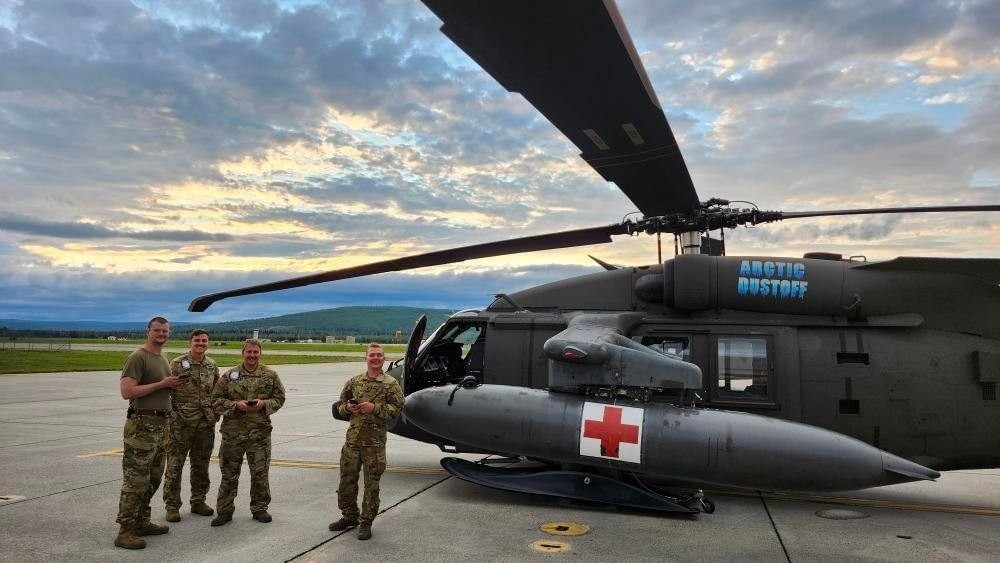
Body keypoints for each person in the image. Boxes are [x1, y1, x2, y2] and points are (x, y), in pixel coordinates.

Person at [114, 316, 183, 550]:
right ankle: (125, 531)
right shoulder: (138, 357)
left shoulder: (162, 357)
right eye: (157, 330)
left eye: (165, 331)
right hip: (142, 426)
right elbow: (127, 391)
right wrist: (162, 384)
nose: (162, 334)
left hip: (160, 426)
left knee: (153, 479)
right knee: (135, 481)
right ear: (148, 331)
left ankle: (141, 522)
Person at [329, 343, 404, 540]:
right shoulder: (354, 381)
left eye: (379, 355)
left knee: (371, 486)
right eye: (372, 355)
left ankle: (366, 522)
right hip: (352, 443)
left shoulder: (390, 384)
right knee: (347, 482)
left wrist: (375, 408)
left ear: (384, 359)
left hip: (374, 444)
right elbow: (339, 406)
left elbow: (398, 409)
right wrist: (348, 408)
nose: (376, 358)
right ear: (366, 358)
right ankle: (349, 516)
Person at [210, 339, 285, 526]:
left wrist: (264, 404)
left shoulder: (270, 375)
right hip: (232, 435)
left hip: (259, 435)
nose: (252, 355)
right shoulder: (230, 376)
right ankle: (225, 511)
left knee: (260, 474)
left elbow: (280, 398)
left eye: (255, 352)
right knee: (229, 474)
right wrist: (236, 406)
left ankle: (260, 509)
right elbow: (216, 400)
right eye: (249, 352)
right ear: (242, 353)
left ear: (260, 353)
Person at [163, 329, 220, 522]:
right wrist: (172, 416)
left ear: (208, 343)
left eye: (204, 341)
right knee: (174, 465)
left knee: (201, 465)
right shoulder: (177, 364)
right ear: (190, 342)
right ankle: (172, 506)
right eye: (197, 340)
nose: (201, 344)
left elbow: (217, 392)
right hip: (181, 424)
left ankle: (198, 501)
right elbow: (167, 391)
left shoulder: (212, 365)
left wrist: (216, 414)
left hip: (205, 424)